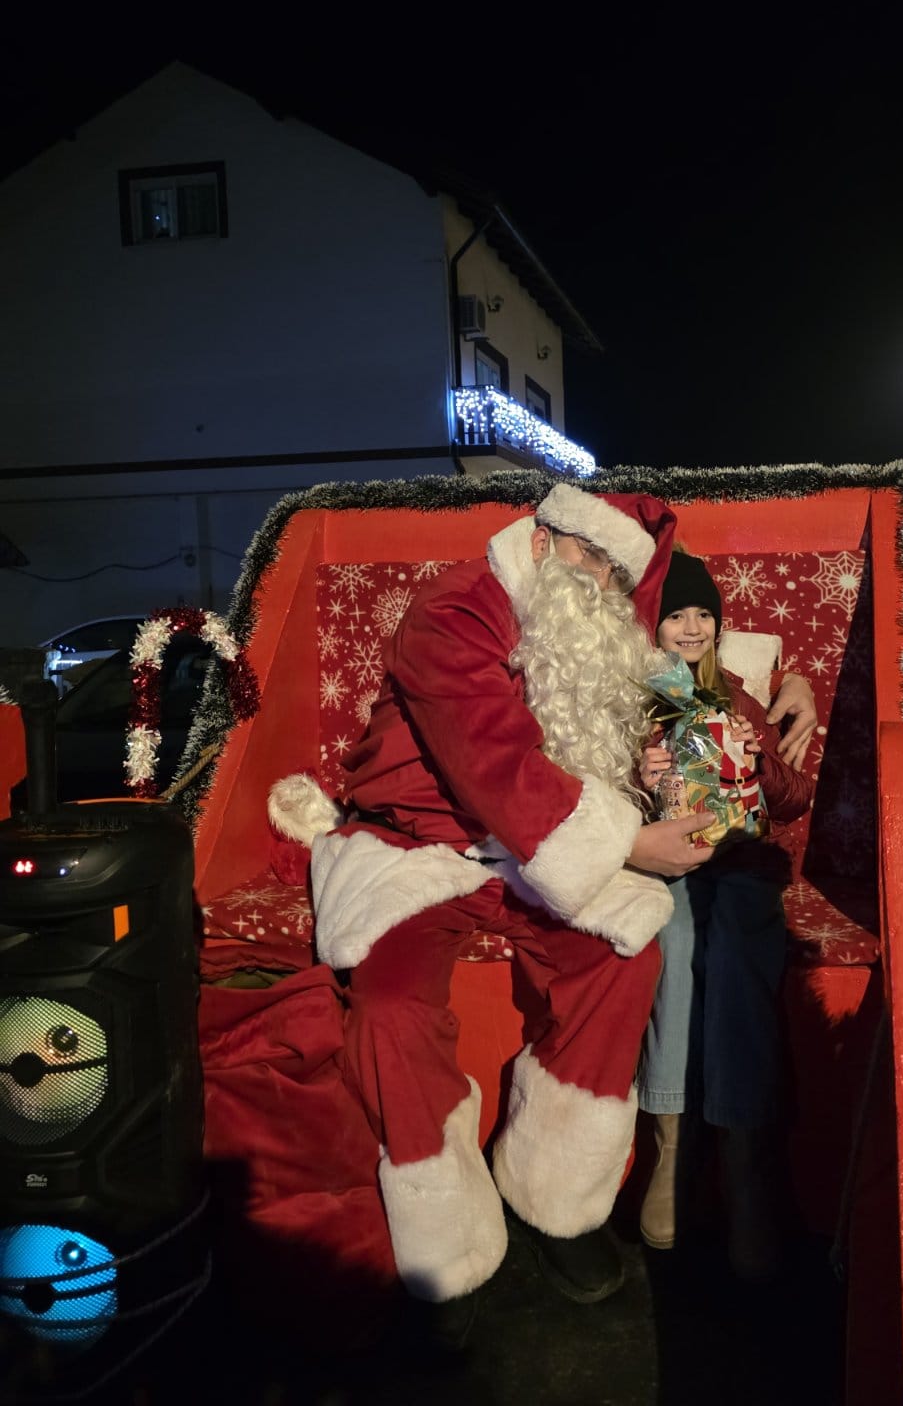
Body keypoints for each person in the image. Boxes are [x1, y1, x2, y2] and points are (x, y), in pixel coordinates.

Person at [268, 485, 818, 1346]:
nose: (596, 577)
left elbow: (696, 685)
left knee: (625, 954)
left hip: (529, 855)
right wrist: (632, 845)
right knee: (391, 1009)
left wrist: (795, 684)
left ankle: (555, 1201)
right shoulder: (455, 608)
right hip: (421, 850)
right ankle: (443, 1241)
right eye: (587, 554)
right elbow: (493, 760)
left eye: (613, 570)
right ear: (541, 535)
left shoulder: (596, 633)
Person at [636, 549, 813, 1280]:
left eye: (703, 613)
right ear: (655, 624)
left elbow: (796, 799)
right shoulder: (638, 699)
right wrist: (638, 780)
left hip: (741, 863)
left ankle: (743, 1161)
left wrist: (758, 765)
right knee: (674, 941)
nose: (692, 626)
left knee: (736, 949)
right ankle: (672, 1145)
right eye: (676, 613)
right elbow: (599, 801)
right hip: (669, 863)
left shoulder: (741, 699)